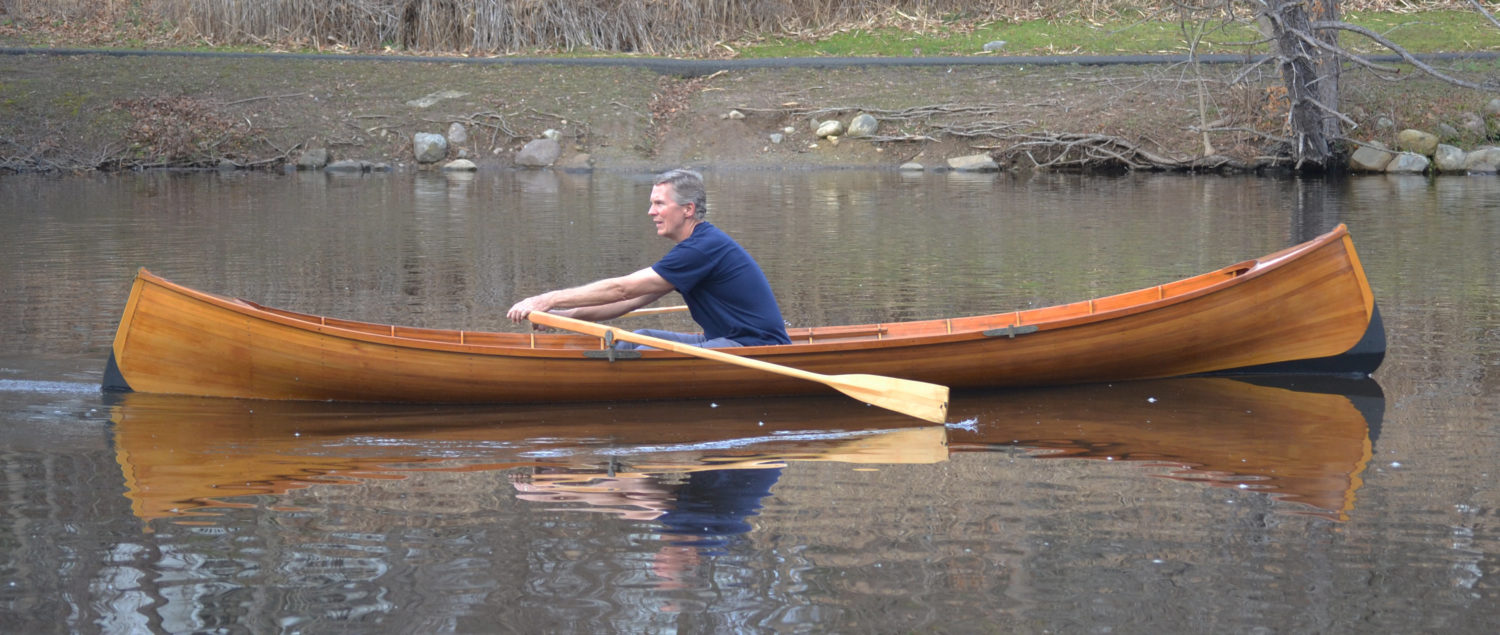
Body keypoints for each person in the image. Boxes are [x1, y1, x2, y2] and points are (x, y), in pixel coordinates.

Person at [506, 168, 791, 349]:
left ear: (688, 209)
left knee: (645, 352)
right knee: (634, 340)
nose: (651, 212)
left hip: (756, 347)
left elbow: (622, 288)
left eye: (659, 204)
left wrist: (547, 299)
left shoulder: (702, 249)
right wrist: (560, 318)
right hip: (722, 341)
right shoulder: (694, 249)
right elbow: (627, 301)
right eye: (651, 203)